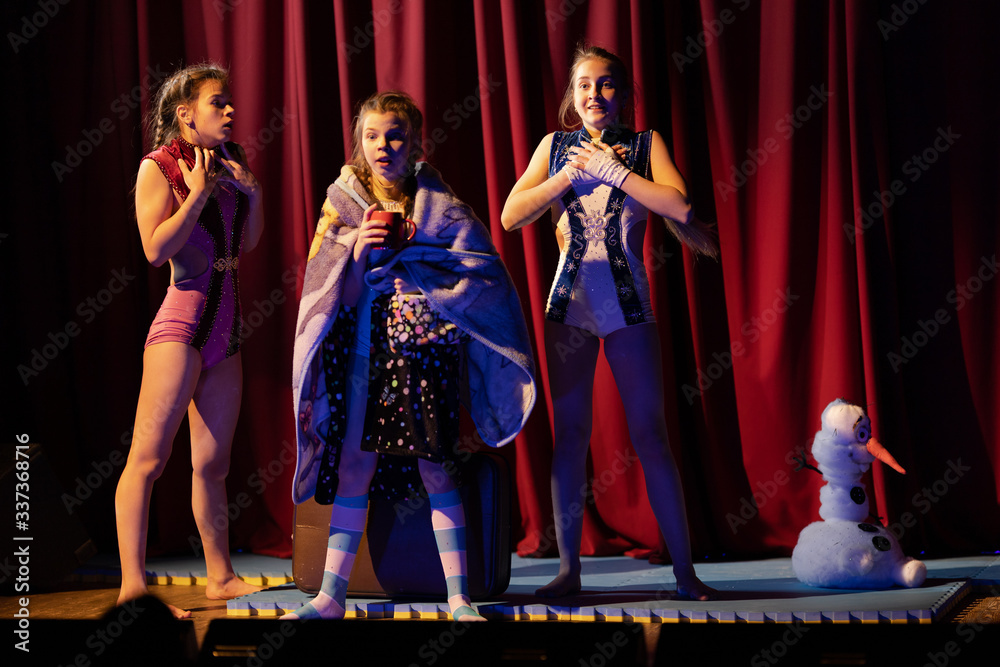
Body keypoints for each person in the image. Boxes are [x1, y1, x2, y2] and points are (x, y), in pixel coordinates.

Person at [289, 91, 535, 621]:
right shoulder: (342, 204)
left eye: (395, 135)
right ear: (359, 141)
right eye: (373, 135)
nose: (383, 146)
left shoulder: (444, 209)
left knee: (437, 470)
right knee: (355, 465)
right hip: (364, 356)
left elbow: (483, 278)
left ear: (415, 143)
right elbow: (333, 295)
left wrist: (431, 286)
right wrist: (356, 253)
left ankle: (458, 596)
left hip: (426, 355)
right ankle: (330, 597)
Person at [501, 45, 717, 601]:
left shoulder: (647, 146)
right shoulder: (554, 147)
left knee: (652, 436)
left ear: (624, 93)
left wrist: (615, 173)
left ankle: (685, 574)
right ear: (572, 96)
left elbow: (682, 208)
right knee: (570, 437)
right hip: (568, 308)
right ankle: (569, 571)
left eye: (606, 85)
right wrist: (562, 179)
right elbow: (509, 216)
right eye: (584, 86)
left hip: (629, 310)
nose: (595, 95)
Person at [115, 63, 265, 619]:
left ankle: (220, 577)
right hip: (181, 325)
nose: (229, 111)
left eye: (229, 103)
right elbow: (156, 250)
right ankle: (133, 588)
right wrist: (196, 195)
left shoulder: (232, 162)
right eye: (217, 103)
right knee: (149, 459)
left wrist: (254, 194)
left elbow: (247, 242)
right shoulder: (158, 167)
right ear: (185, 113)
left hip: (228, 328)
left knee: (214, 465)